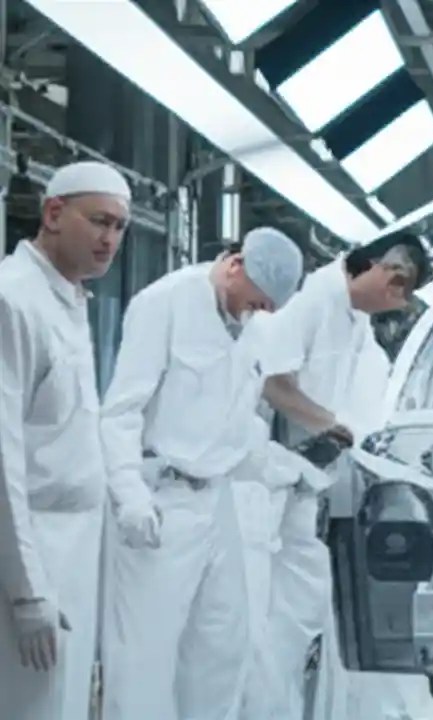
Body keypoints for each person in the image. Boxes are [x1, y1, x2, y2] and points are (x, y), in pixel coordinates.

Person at [98, 227, 313, 720]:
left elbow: (238, 426)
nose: (261, 315)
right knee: (145, 659)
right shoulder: (165, 304)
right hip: (161, 504)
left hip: (218, 503)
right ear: (235, 265)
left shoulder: (253, 325)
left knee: (223, 645)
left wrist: (286, 468)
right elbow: (122, 410)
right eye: (258, 303)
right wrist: (129, 492)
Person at [236, 232, 432, 719]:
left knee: (304, 613)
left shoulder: (356, 321)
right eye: (398, 289)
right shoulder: (311, 299)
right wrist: (338, 427)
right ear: (379, 269)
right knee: (278, 623)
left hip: (314, 489)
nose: (397, 302)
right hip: (275, 484)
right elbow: (275, 384)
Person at [0, 161, 131, 719]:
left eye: (121, 227)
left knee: (64, 706)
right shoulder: (13, 300)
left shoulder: (70, 300)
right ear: (53, 213)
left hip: (73, 549)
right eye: (99, 221)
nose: (111, 240)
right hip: (31, 553)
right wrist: (27, 591)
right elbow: (3, 456)